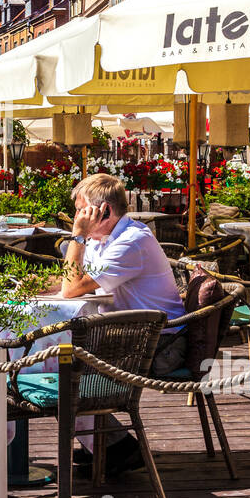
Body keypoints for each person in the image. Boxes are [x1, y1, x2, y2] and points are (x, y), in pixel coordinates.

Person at [60, 173, 185, 476]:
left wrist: (78, 235)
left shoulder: (131, 242)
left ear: (103, 212)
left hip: (162, 346)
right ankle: (101, 443)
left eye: (81, 210)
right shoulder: (108, 239)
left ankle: (116, 447)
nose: (77, 217)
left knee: (61, 363)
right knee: (58, 353)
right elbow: (75, 283)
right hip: (137, 336)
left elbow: (71, 289)